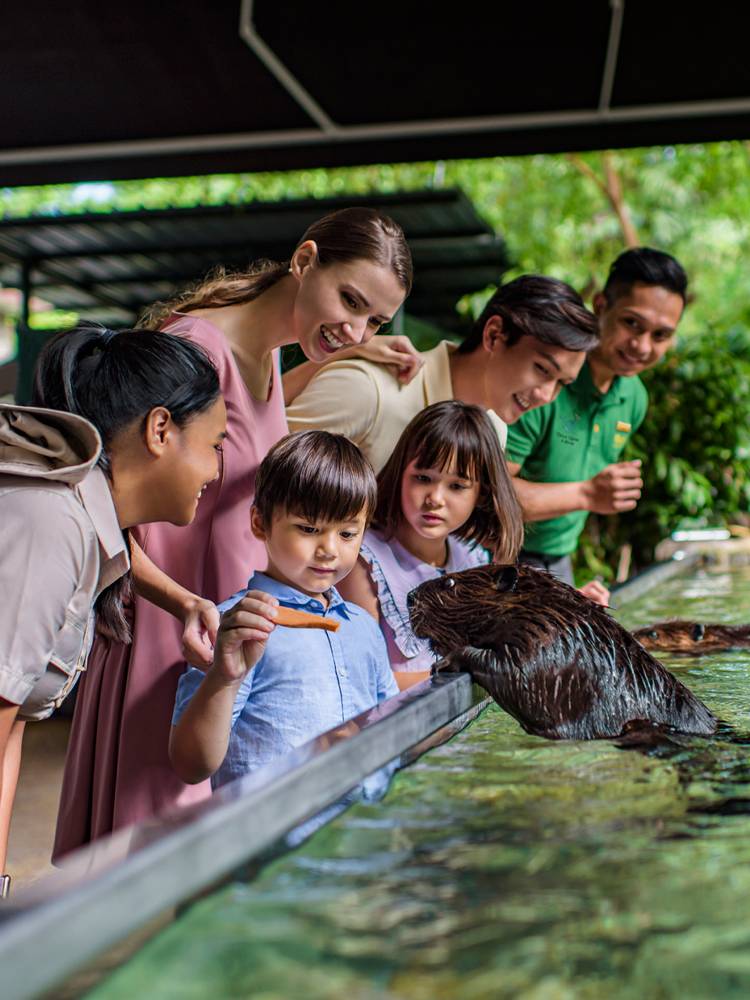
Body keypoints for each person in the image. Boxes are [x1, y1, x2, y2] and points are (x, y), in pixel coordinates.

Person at [53, 208, 413, 859]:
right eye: (350, 300)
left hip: (233, 636)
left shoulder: (269, 357)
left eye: (375, 320)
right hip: (172, 638)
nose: (356, 327)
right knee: (151, 868)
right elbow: (102, 504)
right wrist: (182, 603)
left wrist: (351, 348)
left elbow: (248, 423)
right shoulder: (192, 345)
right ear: (305, 260)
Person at [0, 323, 225, 893]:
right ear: (159, 430)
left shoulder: (83, 520)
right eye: (213, 445)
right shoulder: (53, 525)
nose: (215, 470)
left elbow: (13, 724)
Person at [169, 430, 398, 792]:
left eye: (348, 533)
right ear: (260, 523)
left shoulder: (365, 629)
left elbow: (390, 731)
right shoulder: (235, 627)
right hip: (274, 840)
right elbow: (191, 765)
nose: (329, 549)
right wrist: (223, 678)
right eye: (308, 528)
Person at [505, 248, 688, 591]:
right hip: (496, 553)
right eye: (632, 323)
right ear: (601, 305)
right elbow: (491, 496)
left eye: (660, 335)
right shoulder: (546, 380)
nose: (642, 346)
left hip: (558, 559)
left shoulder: (634, 397)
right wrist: (589, 494)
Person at [286, 274, 600, 472]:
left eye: (562, 384)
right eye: (543, 369)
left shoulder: (493, 433)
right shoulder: (366, 390)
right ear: (494, 335)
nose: (546, 395)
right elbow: (255, 484)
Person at [338, 401, 523, 690]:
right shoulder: (366, 563)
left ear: (482, 493)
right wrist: (471, 677)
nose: (435, 498)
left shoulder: (472, 560)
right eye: (423, 478)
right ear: (400, 473)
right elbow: (362, 683)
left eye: (457, 486)